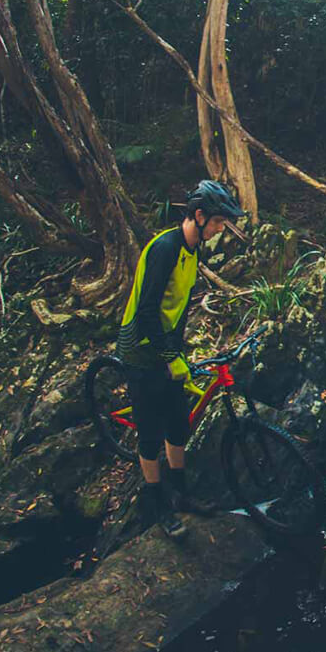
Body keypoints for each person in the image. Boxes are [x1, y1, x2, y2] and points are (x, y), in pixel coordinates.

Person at [117, 179, 246, 536]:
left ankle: (182, 495)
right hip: (140, 350)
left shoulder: (194, 249)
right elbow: (146, 312)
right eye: (219, 222)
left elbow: (180, 304)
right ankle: (158, 505)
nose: (221, 229)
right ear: (200, 216)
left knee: (178, 424)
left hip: (166, 346)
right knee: (150, 432)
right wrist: (169, 356)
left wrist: (180, 353)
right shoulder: (166, 248)